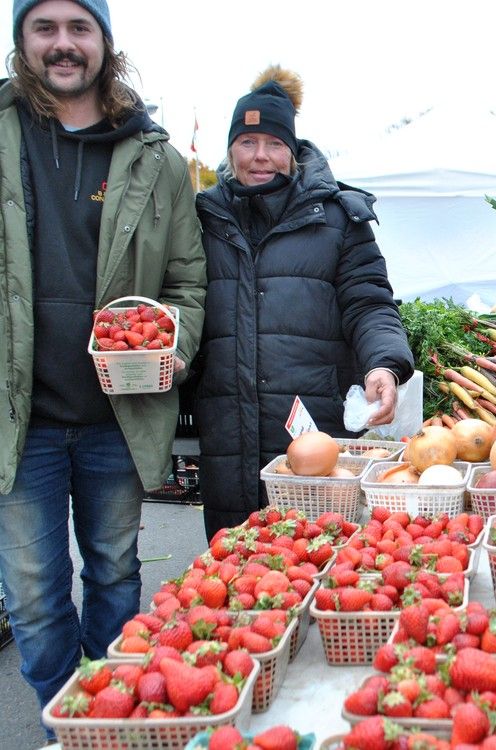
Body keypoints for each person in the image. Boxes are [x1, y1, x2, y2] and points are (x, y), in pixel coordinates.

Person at [0, 0, 207, 726]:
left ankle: (110, 715)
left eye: (79, 27)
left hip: (117, 413)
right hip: (15, 418)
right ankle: (70, 716)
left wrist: (171, 344)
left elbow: (186, 284)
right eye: (44, 27)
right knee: (30, 590)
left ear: (104, 40)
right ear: (21, 37)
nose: (63, 44)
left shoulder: (156, 158)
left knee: (116, 571)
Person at [194, 66, 414, 540]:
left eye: (274, 143)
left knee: (315, 565)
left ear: (292, 151)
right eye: (247, 142)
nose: (261, 157)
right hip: (227, 435)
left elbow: (370, 302)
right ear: (230, 149)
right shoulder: (202, 219)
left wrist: (384, 364)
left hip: (312, 428)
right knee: (229, 576)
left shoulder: (337, 218)